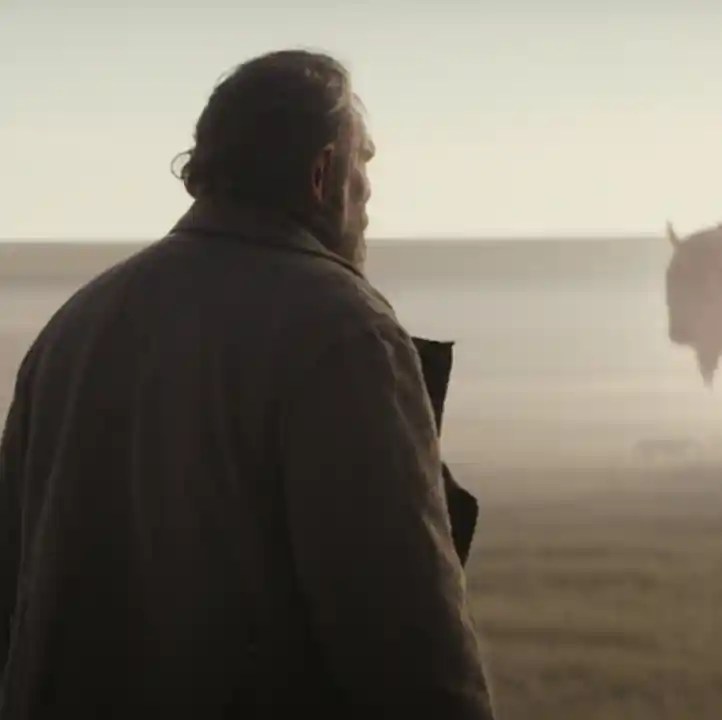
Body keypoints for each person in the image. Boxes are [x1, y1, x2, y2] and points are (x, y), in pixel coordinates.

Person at [0, 50, 496, 718]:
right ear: (323, 174)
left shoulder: (78, 323)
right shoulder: (344, 331)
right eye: (365, 163)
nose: (371, 197)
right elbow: (407, 641)